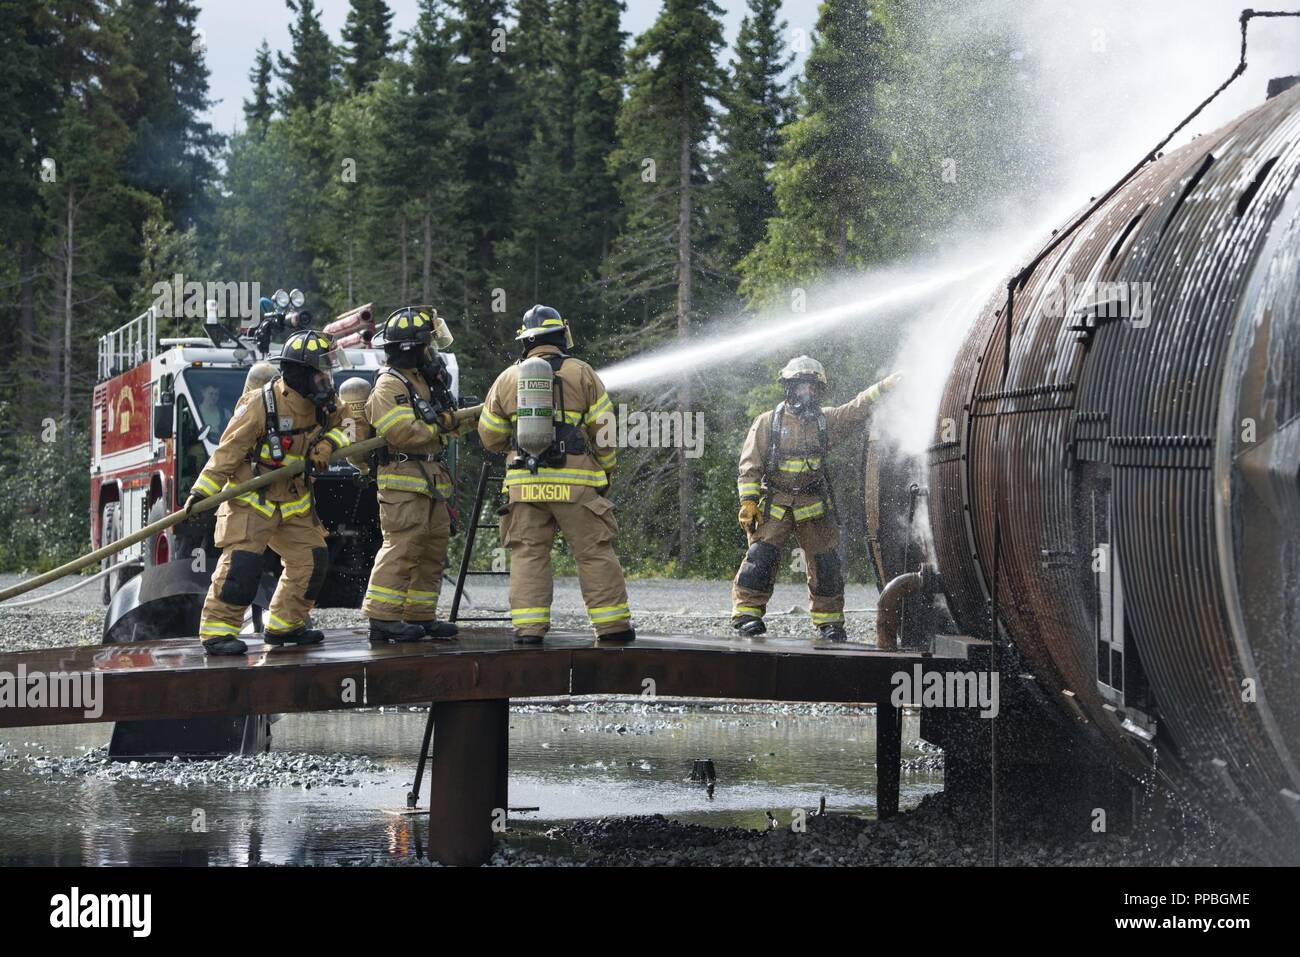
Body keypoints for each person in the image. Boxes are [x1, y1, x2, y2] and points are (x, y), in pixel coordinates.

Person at [186, 331, 352, 656]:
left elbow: (351, 426)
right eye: (321, 372)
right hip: (252, 502)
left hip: (295, 503)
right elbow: (227, 452)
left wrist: (329, 443)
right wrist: (202, 492)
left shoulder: (327, 404)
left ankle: (285, 625)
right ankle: (218, 633)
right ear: (301, 373)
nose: (327, 379)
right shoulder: (261, 404)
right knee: (242, 567)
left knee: (312, 562)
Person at [477, 304, 633, 645]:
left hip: (524, 486)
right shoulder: (582, 372)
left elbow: (489, 436)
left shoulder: (507, 378)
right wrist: (606, 468)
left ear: (526, 341)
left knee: (528, 554)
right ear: (561, 335)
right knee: (593, 551)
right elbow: (604, 430)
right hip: (575, 484)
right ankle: (612, 628)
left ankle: (529, 631)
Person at [731, 357, 903, 643]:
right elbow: (750, 466)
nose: (807, 394)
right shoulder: (767, 423)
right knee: (761, 558)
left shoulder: (826, 421)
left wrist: (884, 387)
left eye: (812, 389)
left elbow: (856, 408)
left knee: (826, 565)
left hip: (813, 506)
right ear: (788, 388)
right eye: (801, 388)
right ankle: (747, 614)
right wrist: (749, 503)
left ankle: (829, 622)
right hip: (775, 505)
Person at [361, 306, 465, 643]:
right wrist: (443, 426)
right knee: (403, 546)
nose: (432, 352)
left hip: (431, 477)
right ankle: (382, 617)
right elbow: (402, 431)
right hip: (404, 479)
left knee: (432, 547)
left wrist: (450, 420)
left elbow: (444, 419)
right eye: (427, 345)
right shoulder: (389, 385)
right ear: (411, 349)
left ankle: (419, 615)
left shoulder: (424, 379)